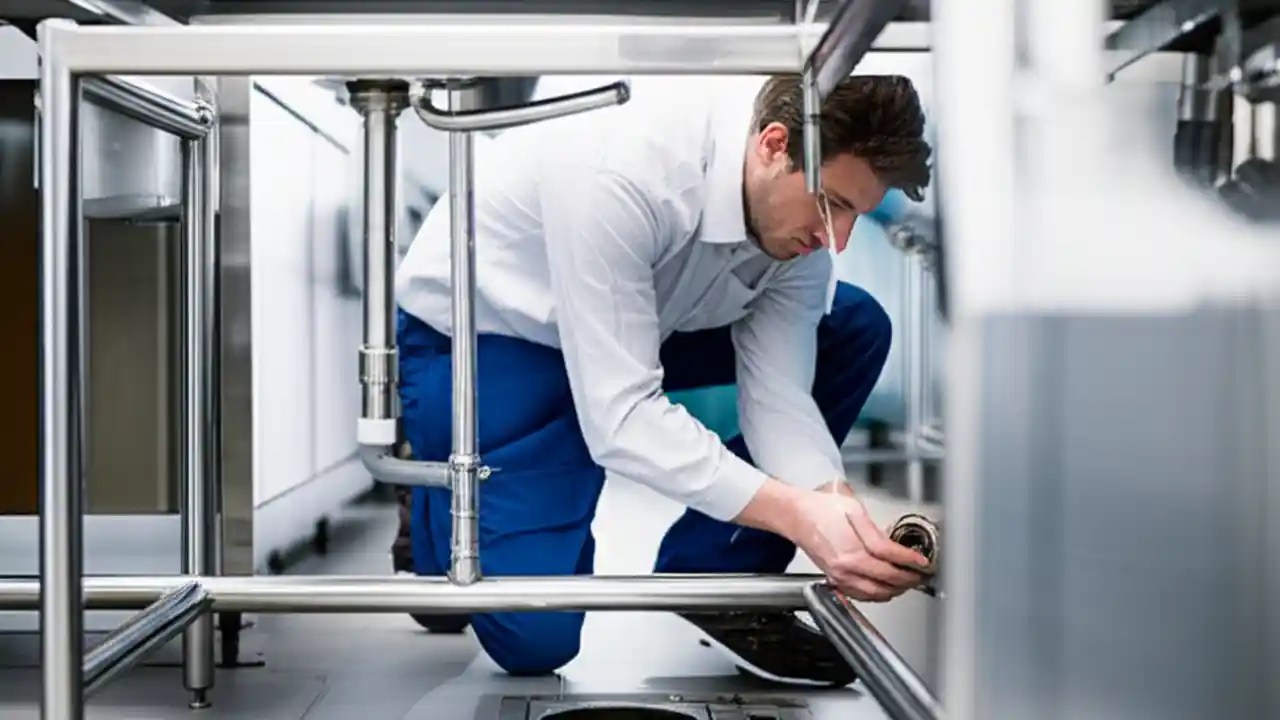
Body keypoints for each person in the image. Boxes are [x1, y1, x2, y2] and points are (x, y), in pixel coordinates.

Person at [391, 73, 934, 685]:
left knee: (854, 324)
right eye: (832, 204)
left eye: (856, 214)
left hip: (643, 320)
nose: (834, 240)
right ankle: (436, 489)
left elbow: (779, 396)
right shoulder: (622, 164)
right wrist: (793, 513)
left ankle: (720, 577)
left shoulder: (793, 225)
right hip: (492, 335)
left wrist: (832, 507)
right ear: (774, 145)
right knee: (534, 639)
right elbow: (622, 418)